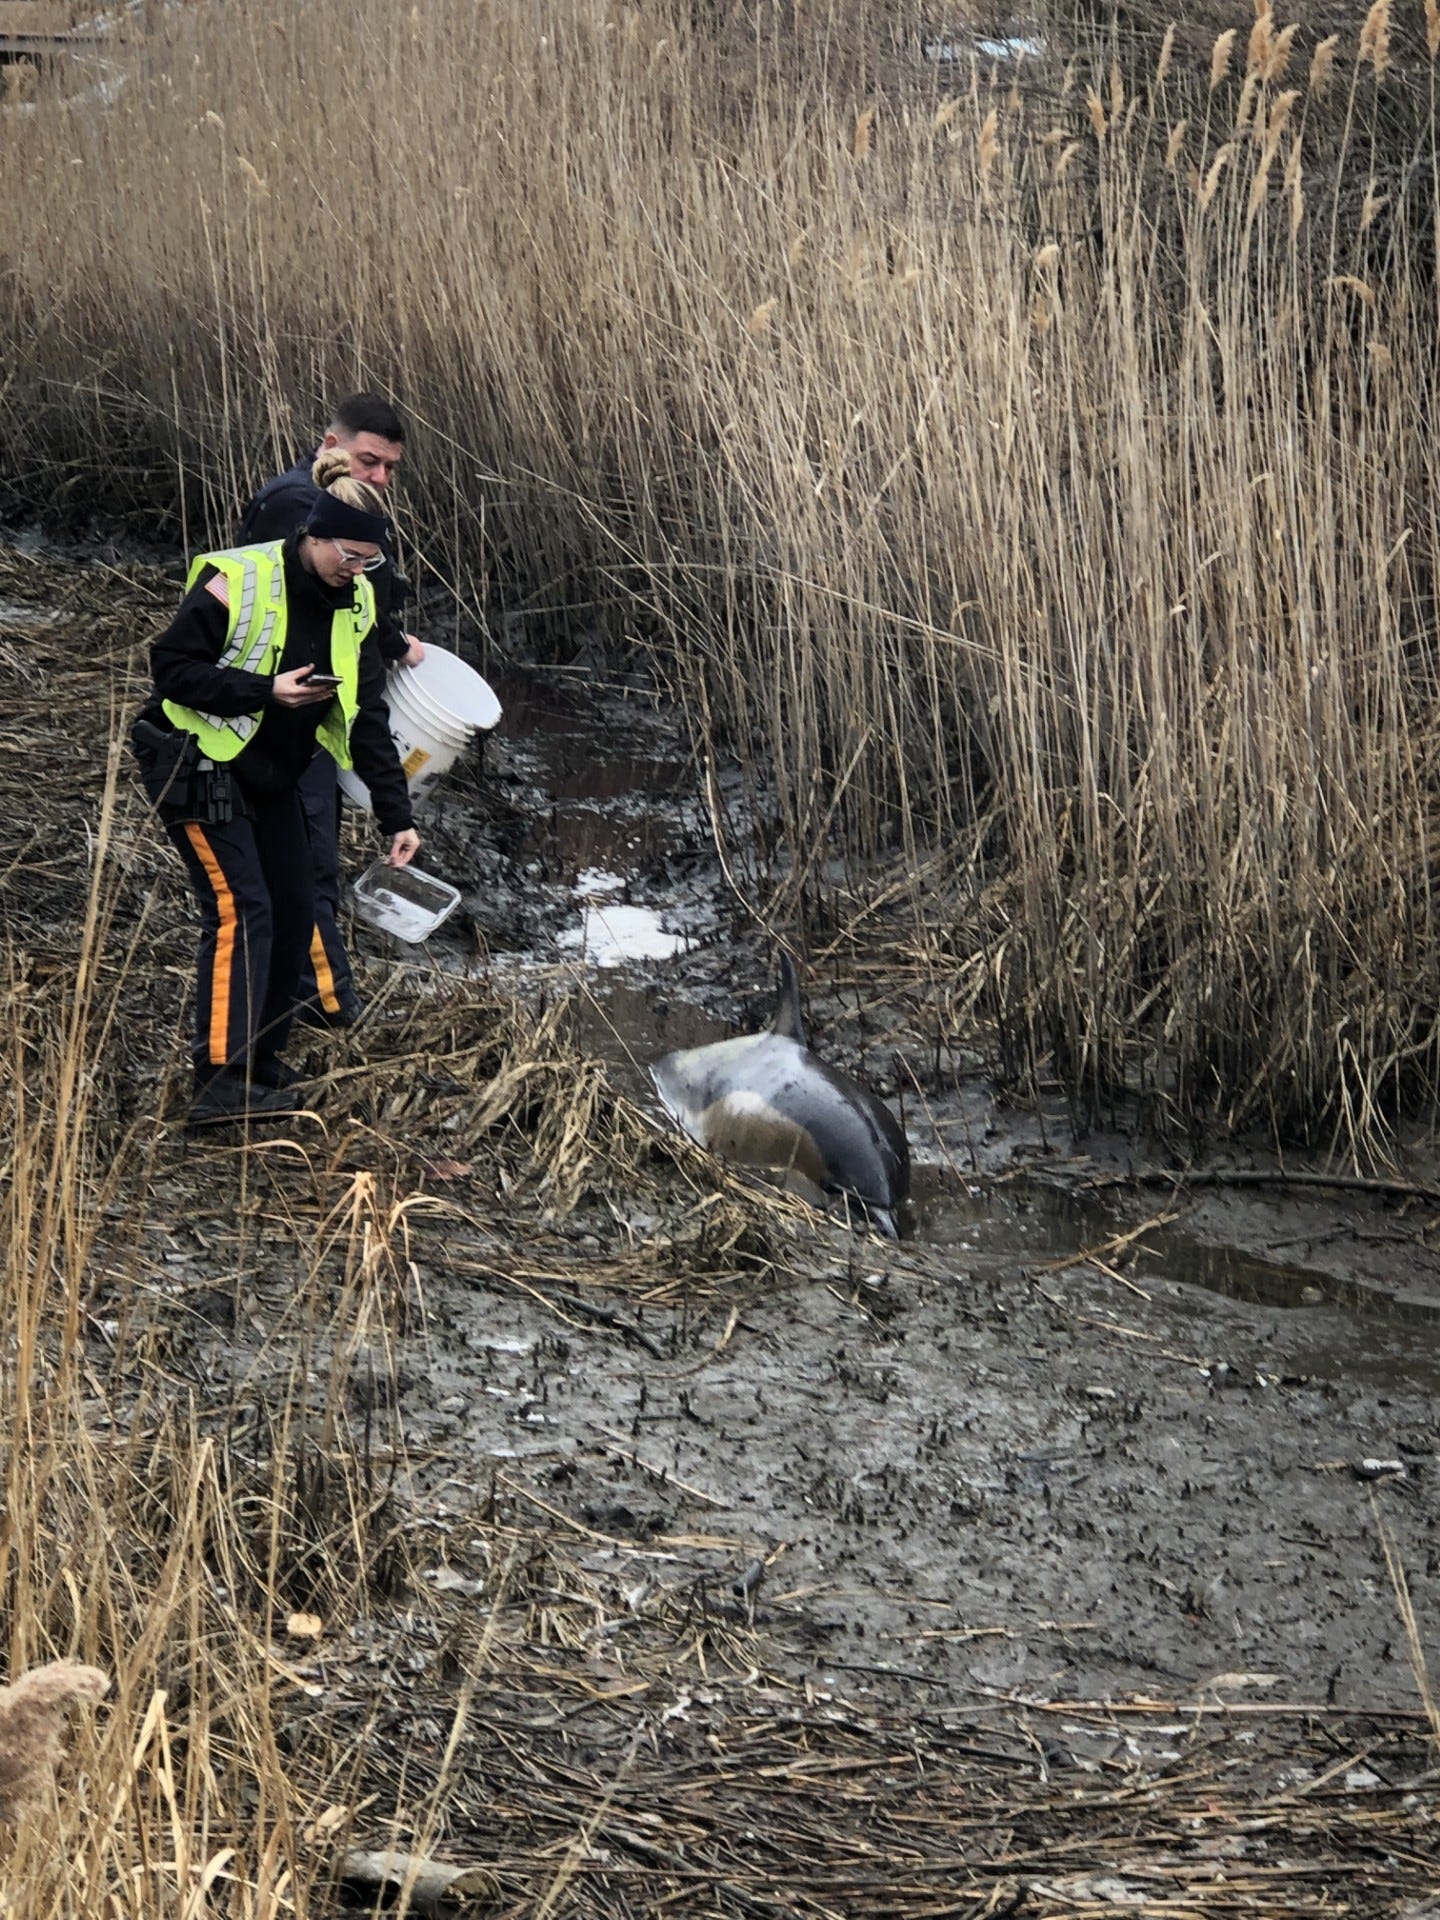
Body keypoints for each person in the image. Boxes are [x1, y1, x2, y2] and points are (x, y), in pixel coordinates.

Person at [133, 451, 421, 1127]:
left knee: (296, 909)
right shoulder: (243, 578)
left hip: (276, 774)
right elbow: (170, 667)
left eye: (367, 561)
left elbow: (369, 715)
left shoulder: (358, 602)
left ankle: (262, 1059)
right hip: (197, 765)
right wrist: (266, 691)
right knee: (242, 909)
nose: (354, 571)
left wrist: (394, 814)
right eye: (346, 556)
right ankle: (218, 1082)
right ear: (315, 536)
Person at [239, 393, 424, 1028]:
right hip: (279, 720)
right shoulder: (297, 507)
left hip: (312, 711)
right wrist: (390, 643)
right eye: (368, 460)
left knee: (298, 865)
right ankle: (326, 1001)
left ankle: (300, 994)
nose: (379, 477)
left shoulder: (343, 512)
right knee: (307, 865)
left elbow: (358, 626)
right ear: (329, 446)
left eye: (389, 469)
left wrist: (389, 640)